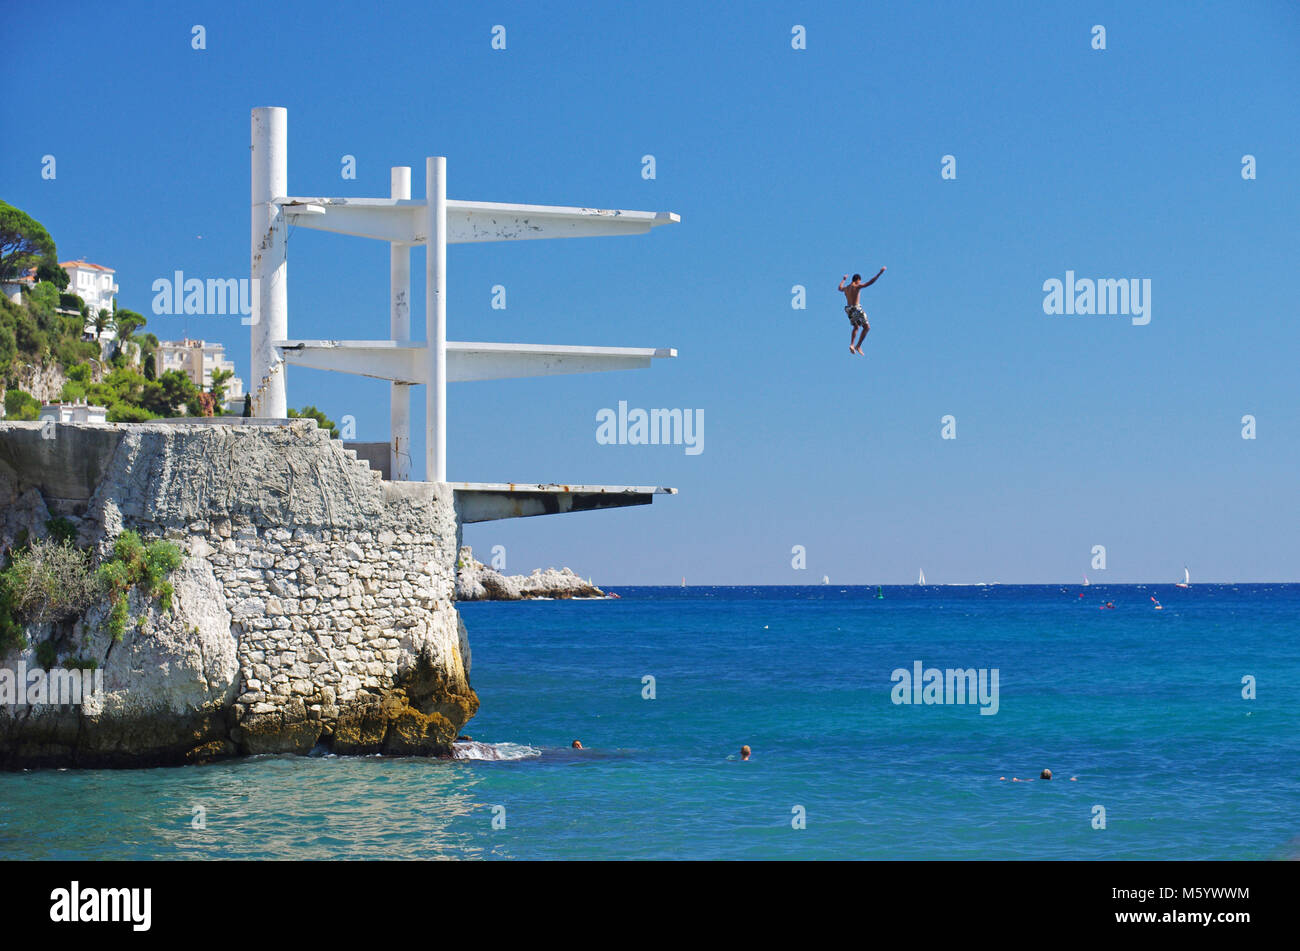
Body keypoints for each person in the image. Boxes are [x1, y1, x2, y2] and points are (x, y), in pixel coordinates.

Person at [839, 267, 886, 354]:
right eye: (859, 281)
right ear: (858, 280)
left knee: (856, 327)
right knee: (867, 327)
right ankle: (858, 346)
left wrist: (844, 280)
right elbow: (870, 282)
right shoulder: (857, 286)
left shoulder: (846, 288)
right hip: (856, 308)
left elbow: (839, 288)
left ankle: (852, 344)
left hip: (849, 309)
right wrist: (879, 273)